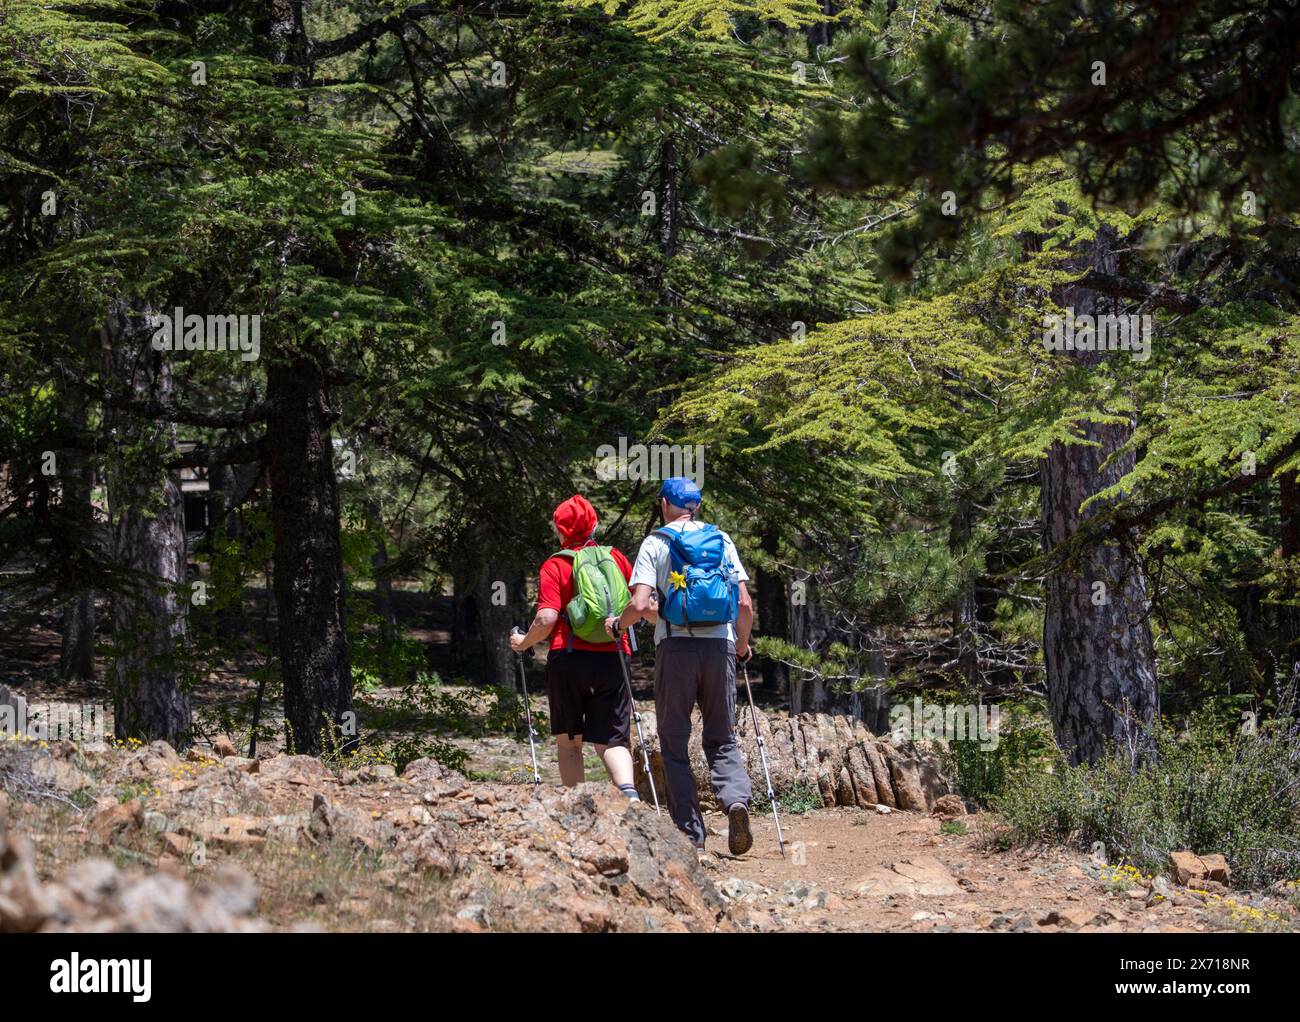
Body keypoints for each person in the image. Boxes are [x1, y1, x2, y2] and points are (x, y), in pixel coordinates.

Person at [605, 477, 755, 855]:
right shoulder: (722, 540)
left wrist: (616, 625)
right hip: (719, 646)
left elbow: (640, 605)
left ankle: (690, 834)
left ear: (664, 505)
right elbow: (744, 603)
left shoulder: (656, 542)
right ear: (697, 506)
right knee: (721, 737)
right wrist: (741, 645)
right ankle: (735, 800)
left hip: (675, 647)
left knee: (674, 742)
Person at [509, 494, 643, 801]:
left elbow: (546, 618)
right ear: (594, 525)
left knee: (570, 740)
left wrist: (523, 643)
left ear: (560, 529)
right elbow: (638, 603)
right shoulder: (617, 558)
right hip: (614, 654)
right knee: (613, 739)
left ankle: (578, 807)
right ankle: (629, 794)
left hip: (568, 657)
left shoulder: (556, 564)